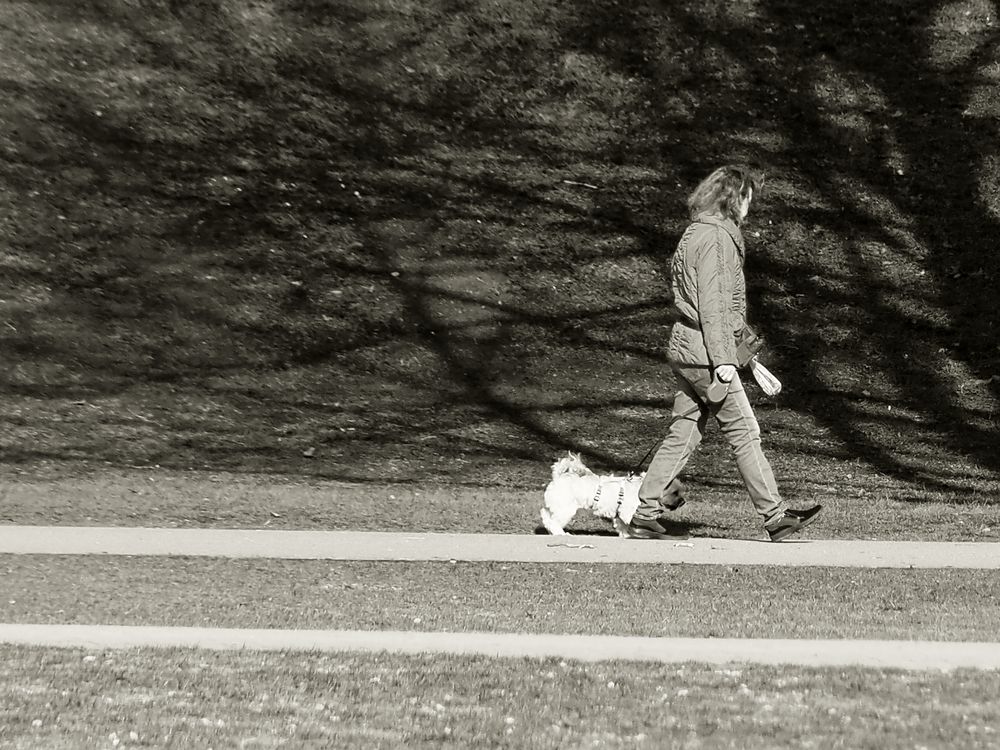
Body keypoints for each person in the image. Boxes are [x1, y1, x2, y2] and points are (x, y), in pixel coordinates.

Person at [625, 164, 821, 542]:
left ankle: (644, 513)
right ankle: (775, 516)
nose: (750, 205)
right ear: (734, 198)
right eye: (747, 196)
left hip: (688, 349)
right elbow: (713, 305)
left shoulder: (695, 232)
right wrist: (725, 361)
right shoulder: (715, 239)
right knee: (745, 432)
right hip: (707, 355)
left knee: (683, 432)